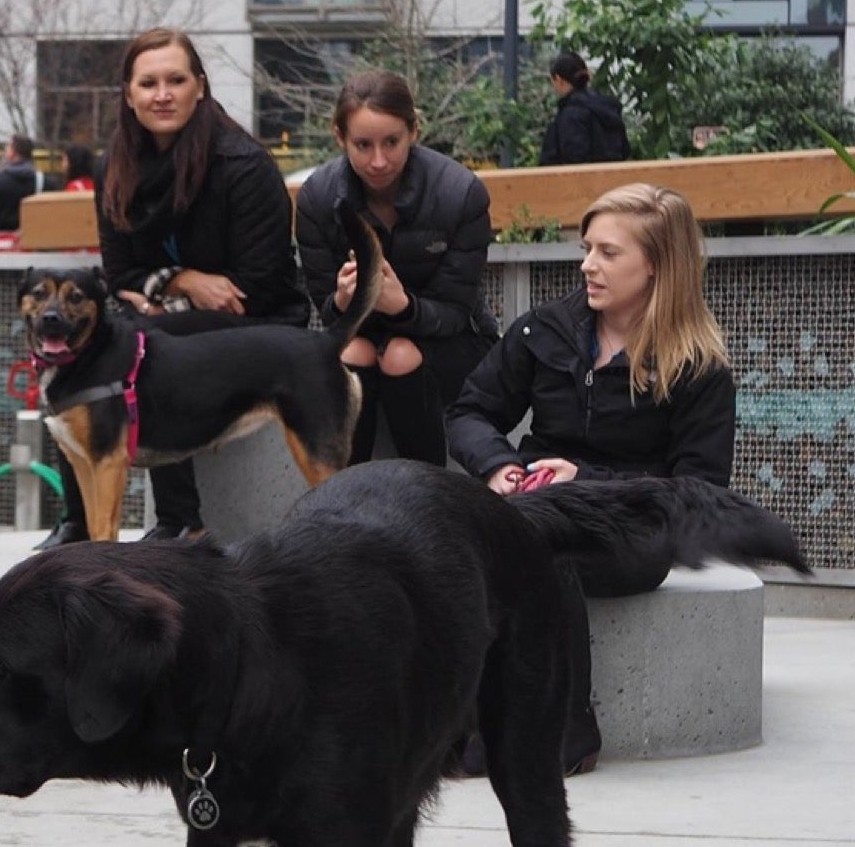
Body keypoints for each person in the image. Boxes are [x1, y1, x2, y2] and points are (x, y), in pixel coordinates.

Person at [447, 183, 735, 775]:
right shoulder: (543, 331)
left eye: (608, 252)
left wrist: (587, 481)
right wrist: (499, 466)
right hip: (531, 504)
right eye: (587, 248)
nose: (587, 265)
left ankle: (563, 731)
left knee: (542, 550)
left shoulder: (699, 366)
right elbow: (470, 411)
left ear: (655, 265)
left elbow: (701, 496)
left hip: (632, 530)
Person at [36, 27, 309, 549]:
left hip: (261, 320)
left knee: (149, 341)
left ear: (199, 87)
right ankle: (78, 519)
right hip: (164, 313)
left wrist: (162, 296)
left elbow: (261, 282)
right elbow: (119, 273)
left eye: (176, 81)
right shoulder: (114, 167)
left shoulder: (242, 164)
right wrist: (179, 282)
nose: (162, 95)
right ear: (128, 94)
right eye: (148, 83)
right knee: (85, 347)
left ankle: (180, 518)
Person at [296, 70, 496, 467]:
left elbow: (456, 312)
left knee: (400, 354)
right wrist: (343, 302)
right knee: (352, 352)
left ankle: (427, 491)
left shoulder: (460, 192)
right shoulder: (317, 197)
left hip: (453, 341)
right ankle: (347, 494)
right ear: (340, 137)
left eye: (392, 142)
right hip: (362, 341)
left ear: (413, 131)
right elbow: (328, 313)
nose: (379, 161)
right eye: (363, 145)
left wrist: (402, 306)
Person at [539, 52, 631, 166]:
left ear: (558, 79)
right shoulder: (609, 107)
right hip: (616, 175)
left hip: (583, 176)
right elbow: (624, 150)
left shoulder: (571, 114)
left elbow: (573, 158)